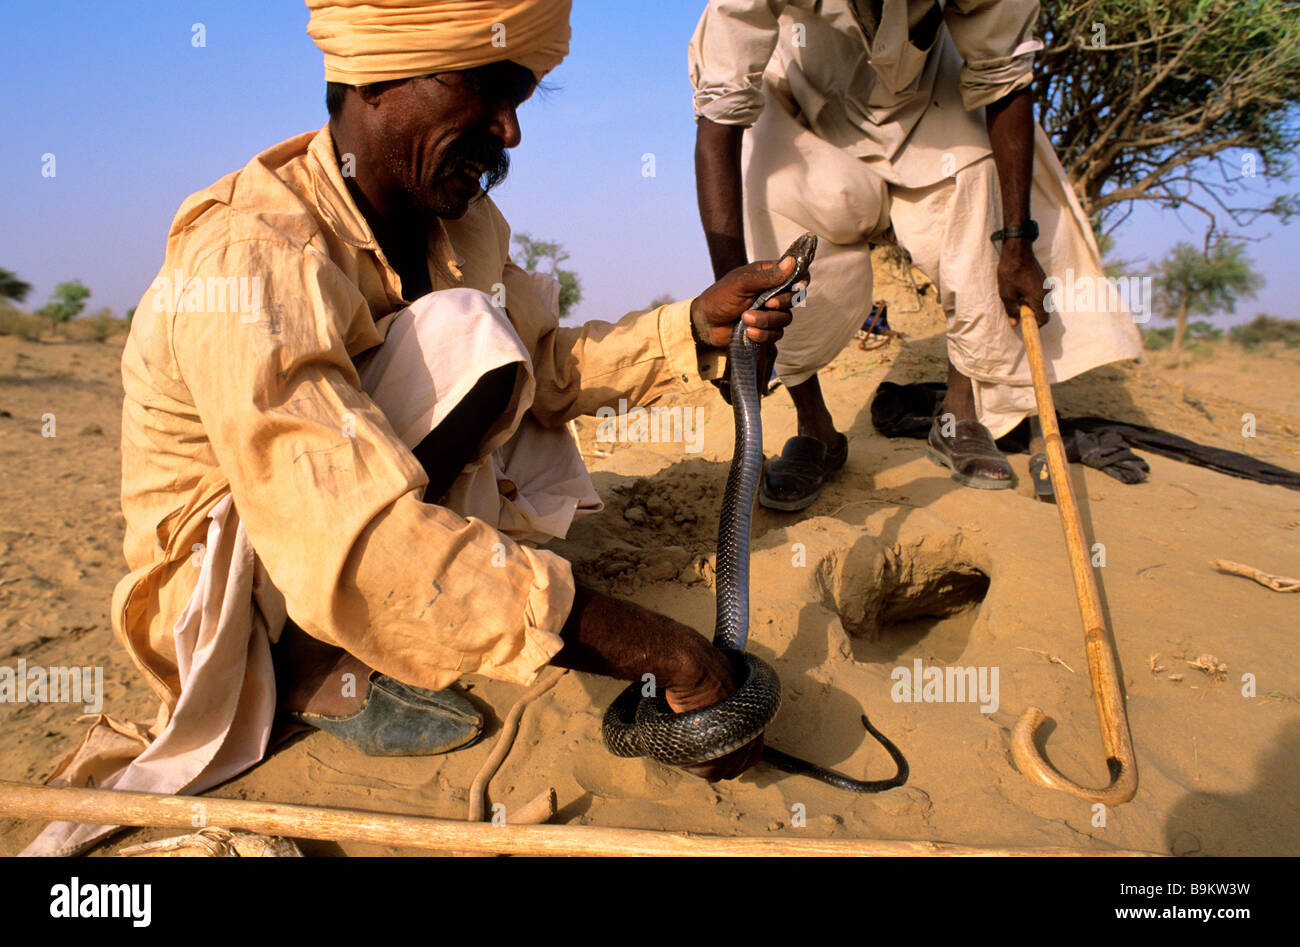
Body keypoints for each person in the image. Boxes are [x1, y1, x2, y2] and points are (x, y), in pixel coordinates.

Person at [23, 0, 789, 857]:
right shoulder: (250, 250)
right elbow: (348, 532)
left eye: (519, 101)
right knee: (466, 332)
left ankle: (407, 621)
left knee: (491, 348)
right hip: (244, 587)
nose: (510, 131)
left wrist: (692, 327)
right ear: (376, 81)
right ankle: (313, 668)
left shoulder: (461, 224)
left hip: (344, 521)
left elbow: (545, 366)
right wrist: (662, 652)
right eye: (483, 93)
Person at [690, 0, 1142, 509]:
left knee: (977, 186)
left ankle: (958, 416)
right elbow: (719, 120)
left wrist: (1017, 242)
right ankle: (815, 430)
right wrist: (737, 307)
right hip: (809, 101)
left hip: (931, 96)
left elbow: (1004, 78)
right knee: (773, 215)